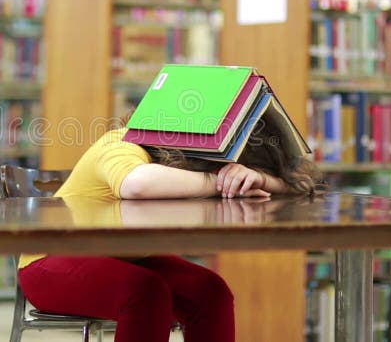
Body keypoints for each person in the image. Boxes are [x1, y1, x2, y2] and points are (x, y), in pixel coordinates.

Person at [18, 122, 320, 342]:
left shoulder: (199, 162)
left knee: (209, 291)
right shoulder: (121, 143)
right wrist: (218, 183)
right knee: (144, 291)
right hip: (48, 261)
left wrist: (259, 179)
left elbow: (301, 188)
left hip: (126, 258)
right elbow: (136, 184)